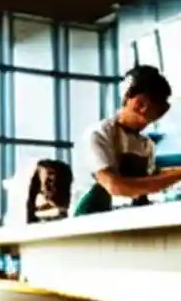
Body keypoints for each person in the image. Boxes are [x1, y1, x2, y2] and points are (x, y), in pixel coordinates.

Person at [73, 65, 181, 216]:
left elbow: (145, 187)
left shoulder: (146, 145)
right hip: (87, 222)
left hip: (120, 220)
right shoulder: (100, 133)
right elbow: (114, 186)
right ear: (141, 104)